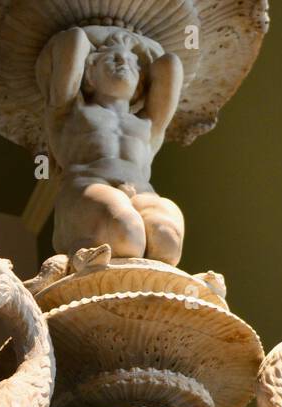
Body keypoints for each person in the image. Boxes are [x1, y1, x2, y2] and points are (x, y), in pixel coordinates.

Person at [38, 26, 186, 266]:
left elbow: (170, 65)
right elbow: (75, 39)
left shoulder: (148, 124)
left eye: (131, 62)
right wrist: (102, 35)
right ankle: (76, 249)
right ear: (89, 73)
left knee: (167, 242)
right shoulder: (69, 111)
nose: (123, 63)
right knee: (126, 233)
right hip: (87, 187)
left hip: (142, 192)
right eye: (113, 58)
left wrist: (131, 44)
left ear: (140, 82)